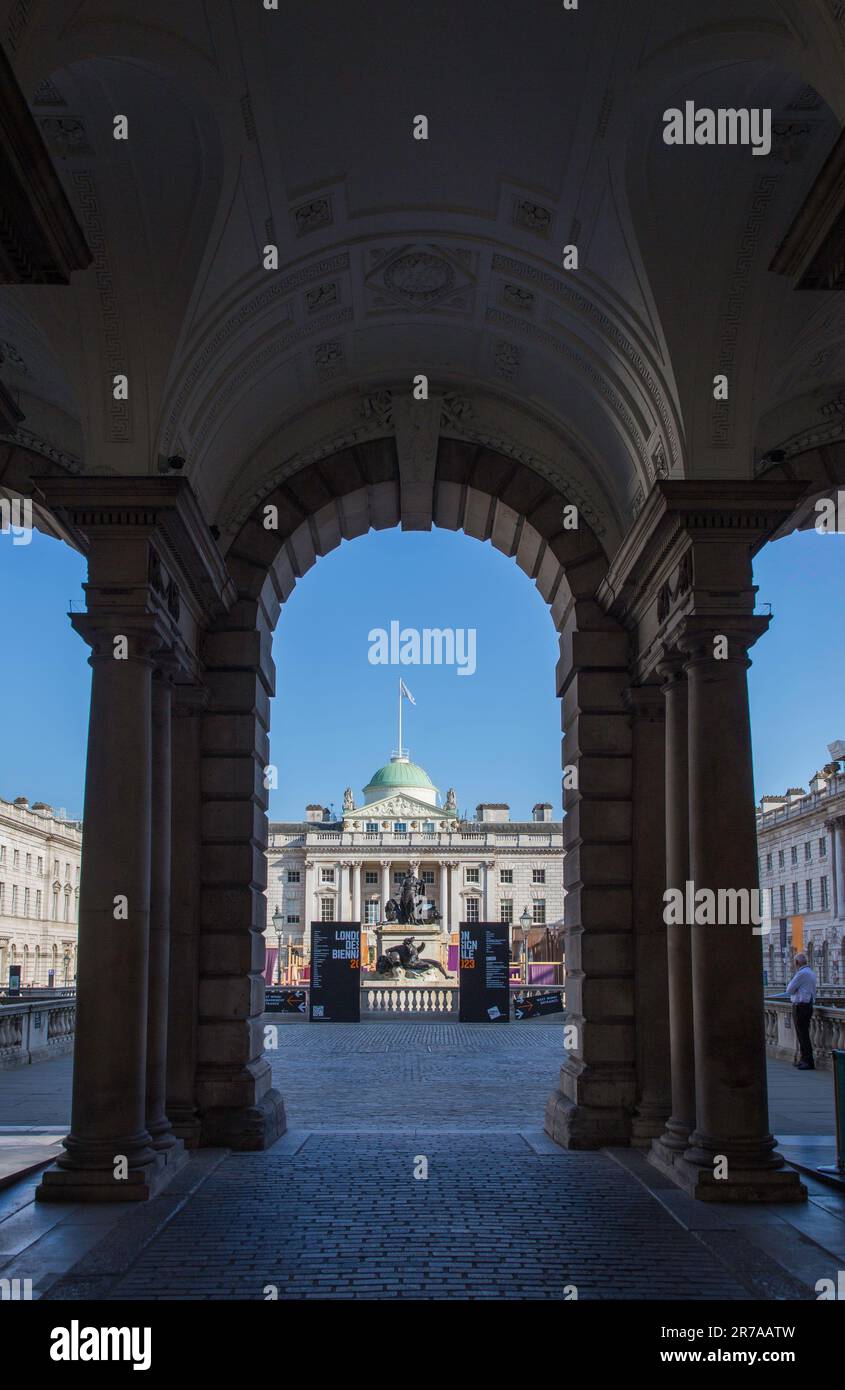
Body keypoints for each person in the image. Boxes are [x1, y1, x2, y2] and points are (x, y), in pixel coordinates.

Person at [784, 951, 817, 1070]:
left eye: (794, 962)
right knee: (803, 1034)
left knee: (802, 1035)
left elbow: (789, 989)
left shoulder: (801, 974)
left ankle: (807, 1061)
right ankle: (804, 1059)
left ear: (797, 962)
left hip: (801, 1006)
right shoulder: (811, 973)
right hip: (808, 1005)